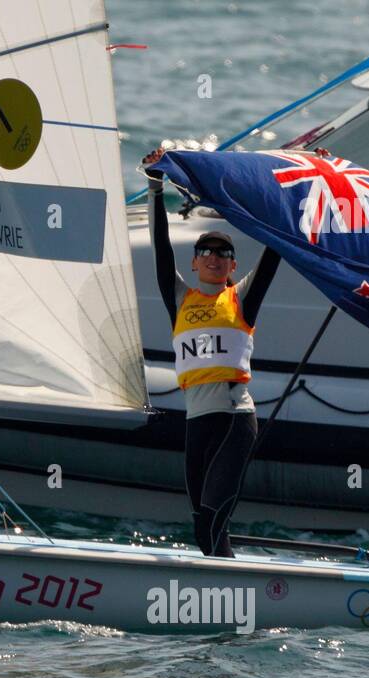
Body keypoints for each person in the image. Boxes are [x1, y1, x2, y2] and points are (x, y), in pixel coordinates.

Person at [142, 148, 283, 558]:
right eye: (207, 250)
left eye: (224, 253)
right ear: (195, 260)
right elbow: (160, 249)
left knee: (213, 515)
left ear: (232, 265)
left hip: (234, 420)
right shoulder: (180, 298)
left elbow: (274, 253)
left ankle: (235, 598)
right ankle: (222, 597)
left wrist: (292, 194)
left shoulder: (240, 298)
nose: (215, 257)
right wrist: (154, 188)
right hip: (196, 422)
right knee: (203, 527)